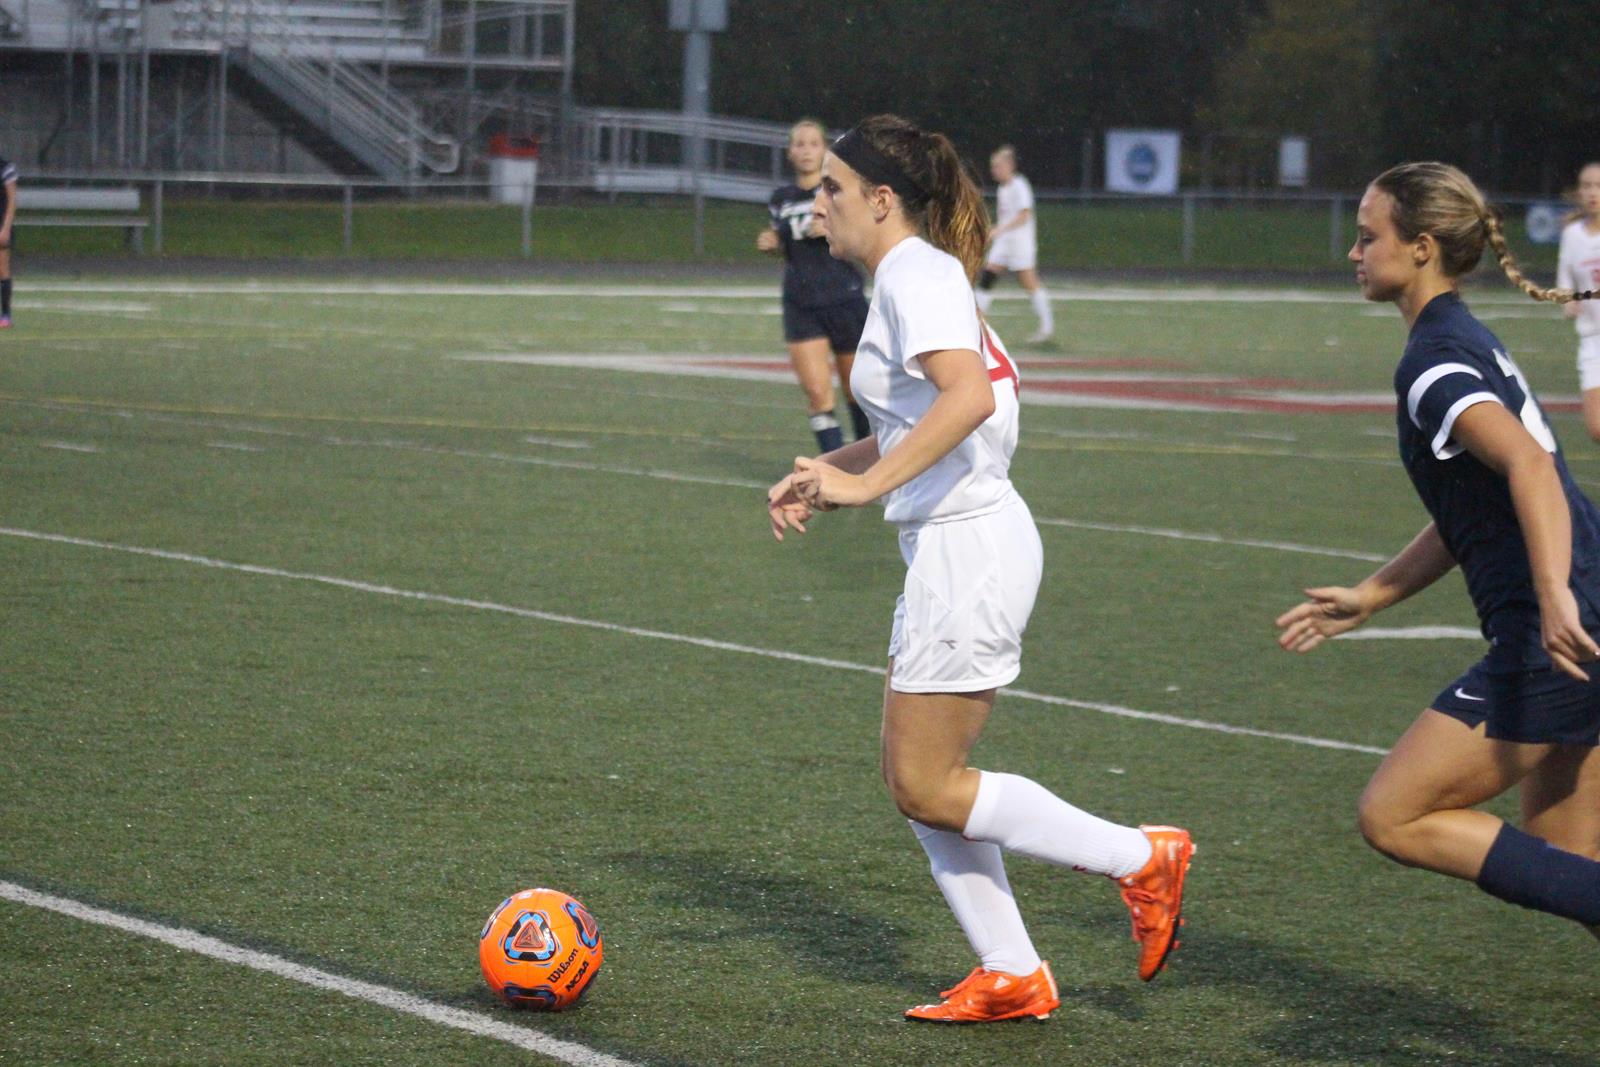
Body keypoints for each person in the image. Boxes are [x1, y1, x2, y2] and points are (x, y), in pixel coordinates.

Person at [766, 114, 1194, 1024]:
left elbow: (968, 396)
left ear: (883, 201)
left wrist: (868, 481)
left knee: (929, 781)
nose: (820, 203)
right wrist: (831, 470)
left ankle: (1141, 856)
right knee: (914, 777)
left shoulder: (915, 273)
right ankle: (1010, 969)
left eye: (834, 188)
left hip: (971, 545)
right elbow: (925, 410)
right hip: (955, 543)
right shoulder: (909, 276)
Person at [1275, 162, 1600, 936]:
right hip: (1585, 612)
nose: (1354, 252)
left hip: (1557, 631)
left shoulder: (1432, 361)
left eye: (1368, 236)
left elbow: (1527, 462)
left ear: (1421, 247)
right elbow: (1478, 509)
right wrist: (1374, 594)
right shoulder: (1459, 338)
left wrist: (1553, 592)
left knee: (1394, 813)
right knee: (1566, 865)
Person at [757, 119, 872, 453]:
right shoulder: (781, 198)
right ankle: (834, 468)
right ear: (790, 153)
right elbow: (782, 237)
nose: (806, 151)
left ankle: (868, 463)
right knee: (819, 395)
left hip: (844, 299)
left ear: (825, 150)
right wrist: (772, 241)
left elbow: (865, 236)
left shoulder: (840, 190)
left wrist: (836, 230)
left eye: (813, 144)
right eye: (799, 144)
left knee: (859, 393)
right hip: (801, 302)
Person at [974, 145, 1052, 343]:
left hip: (1020, 242)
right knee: (988, 275)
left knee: (1029, 282)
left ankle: (1046, 326)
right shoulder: (1003, 188)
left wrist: (1000, 229)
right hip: (1004, 243)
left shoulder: (1020, 185)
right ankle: (975, 324)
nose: (994, 171)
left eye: (997, 167)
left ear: (1009, 165)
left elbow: (1024, 215)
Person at [1557, 162, 1600, 440]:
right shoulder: (1572, 236)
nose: (1592, 192)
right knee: (1596, 429)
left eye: (1598, 186)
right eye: (1586, 186)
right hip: (1592, 341)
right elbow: (1564, 284)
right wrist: (1568, 302)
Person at [0, 153, 15, 328]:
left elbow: (12, 201)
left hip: (1, 222)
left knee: (2, 269)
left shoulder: (5, 167)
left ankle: (5, 315)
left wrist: (6, 228)